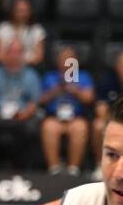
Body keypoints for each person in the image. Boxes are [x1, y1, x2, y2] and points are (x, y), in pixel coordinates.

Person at [0, 39, 42, 168]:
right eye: (11, 52)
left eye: (17, 52)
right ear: (5, 55)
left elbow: (35, 102)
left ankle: (29, 170)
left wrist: (26, 113)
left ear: (22, 55)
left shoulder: (31, 75)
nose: (14, 55)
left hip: (22, 116)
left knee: (33, 125)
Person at [39, 44, 94, 176]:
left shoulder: (83, 76)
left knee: (80, 128)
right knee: (49, 127)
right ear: (58, 61)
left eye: (70, 59)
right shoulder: (50, 77)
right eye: (63, 58)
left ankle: (73, 170)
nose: (66, 62)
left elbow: (90, 98)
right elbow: (40, 100)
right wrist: (55, 90)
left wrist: (76, 91)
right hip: (54, 117)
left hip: (76, 117)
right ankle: (54, 169)